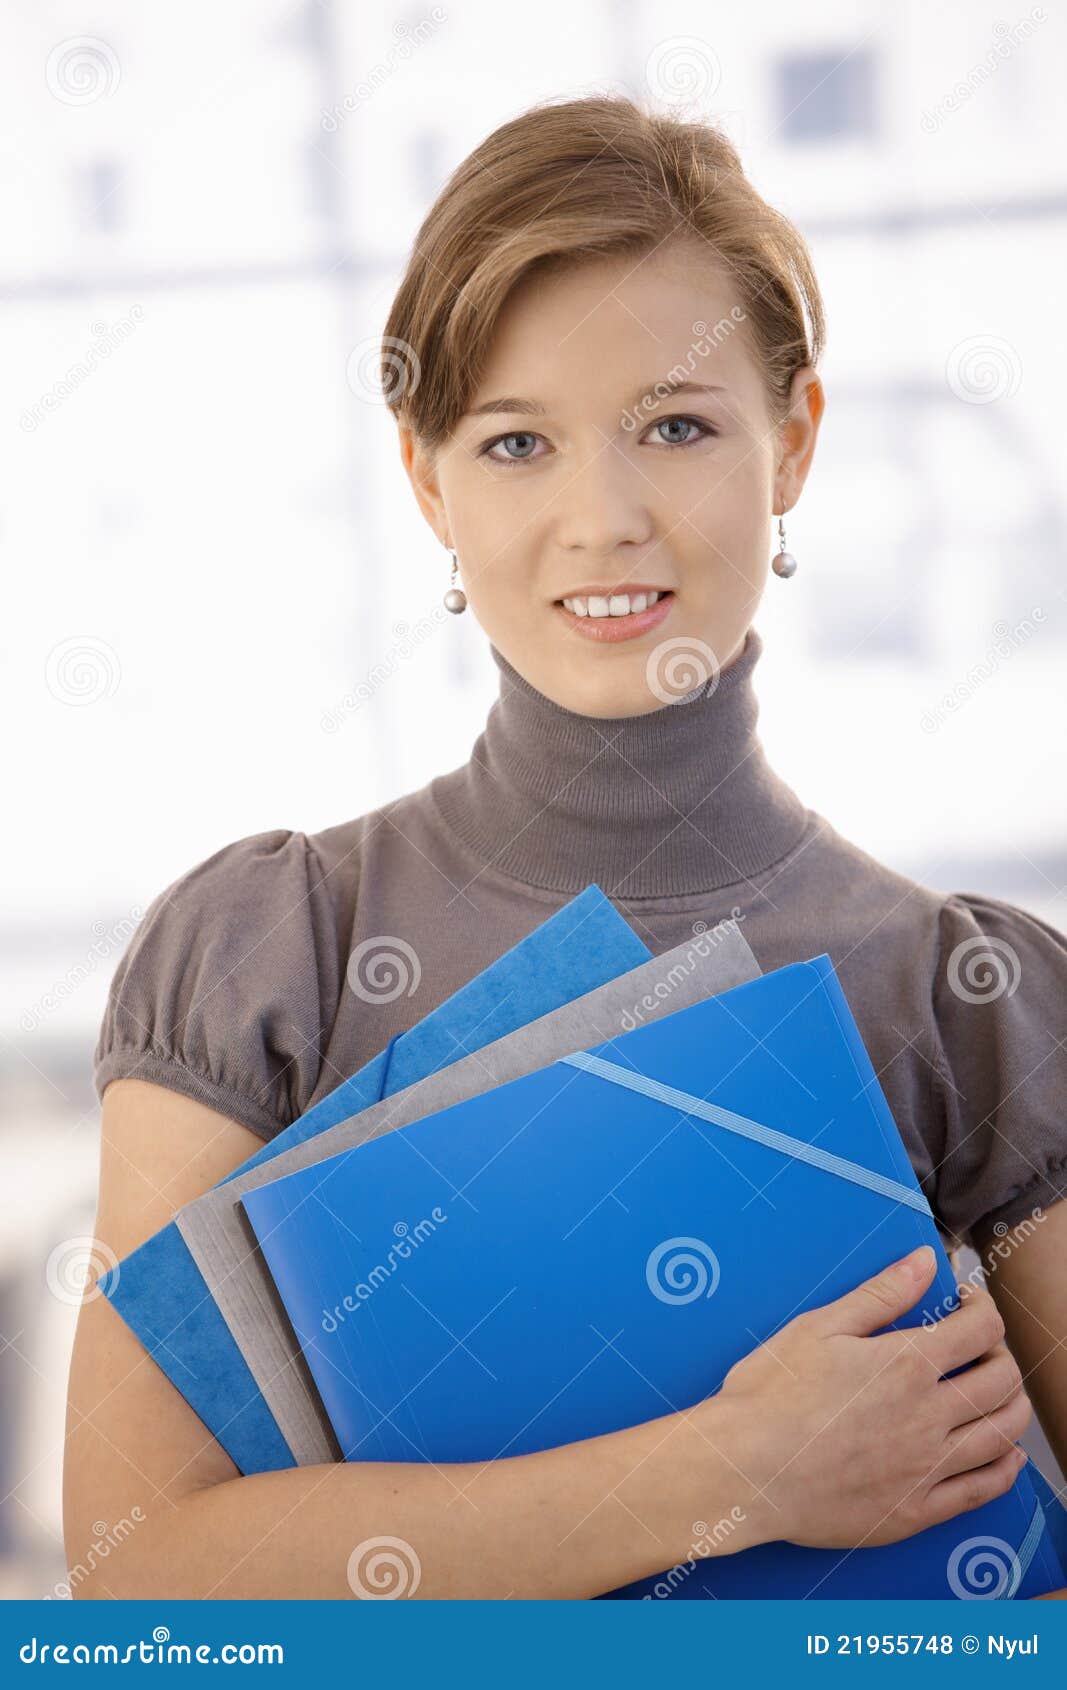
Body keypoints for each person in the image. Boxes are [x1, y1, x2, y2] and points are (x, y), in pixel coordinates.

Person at [65, 94, 1067, 1600]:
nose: (601, 518)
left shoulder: (970, 997)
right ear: (427, 483)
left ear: (792, 444)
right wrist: (737, 1471)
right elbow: (139, 1573)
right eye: (517, 441)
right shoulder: (271, 949)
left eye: (675, 425)